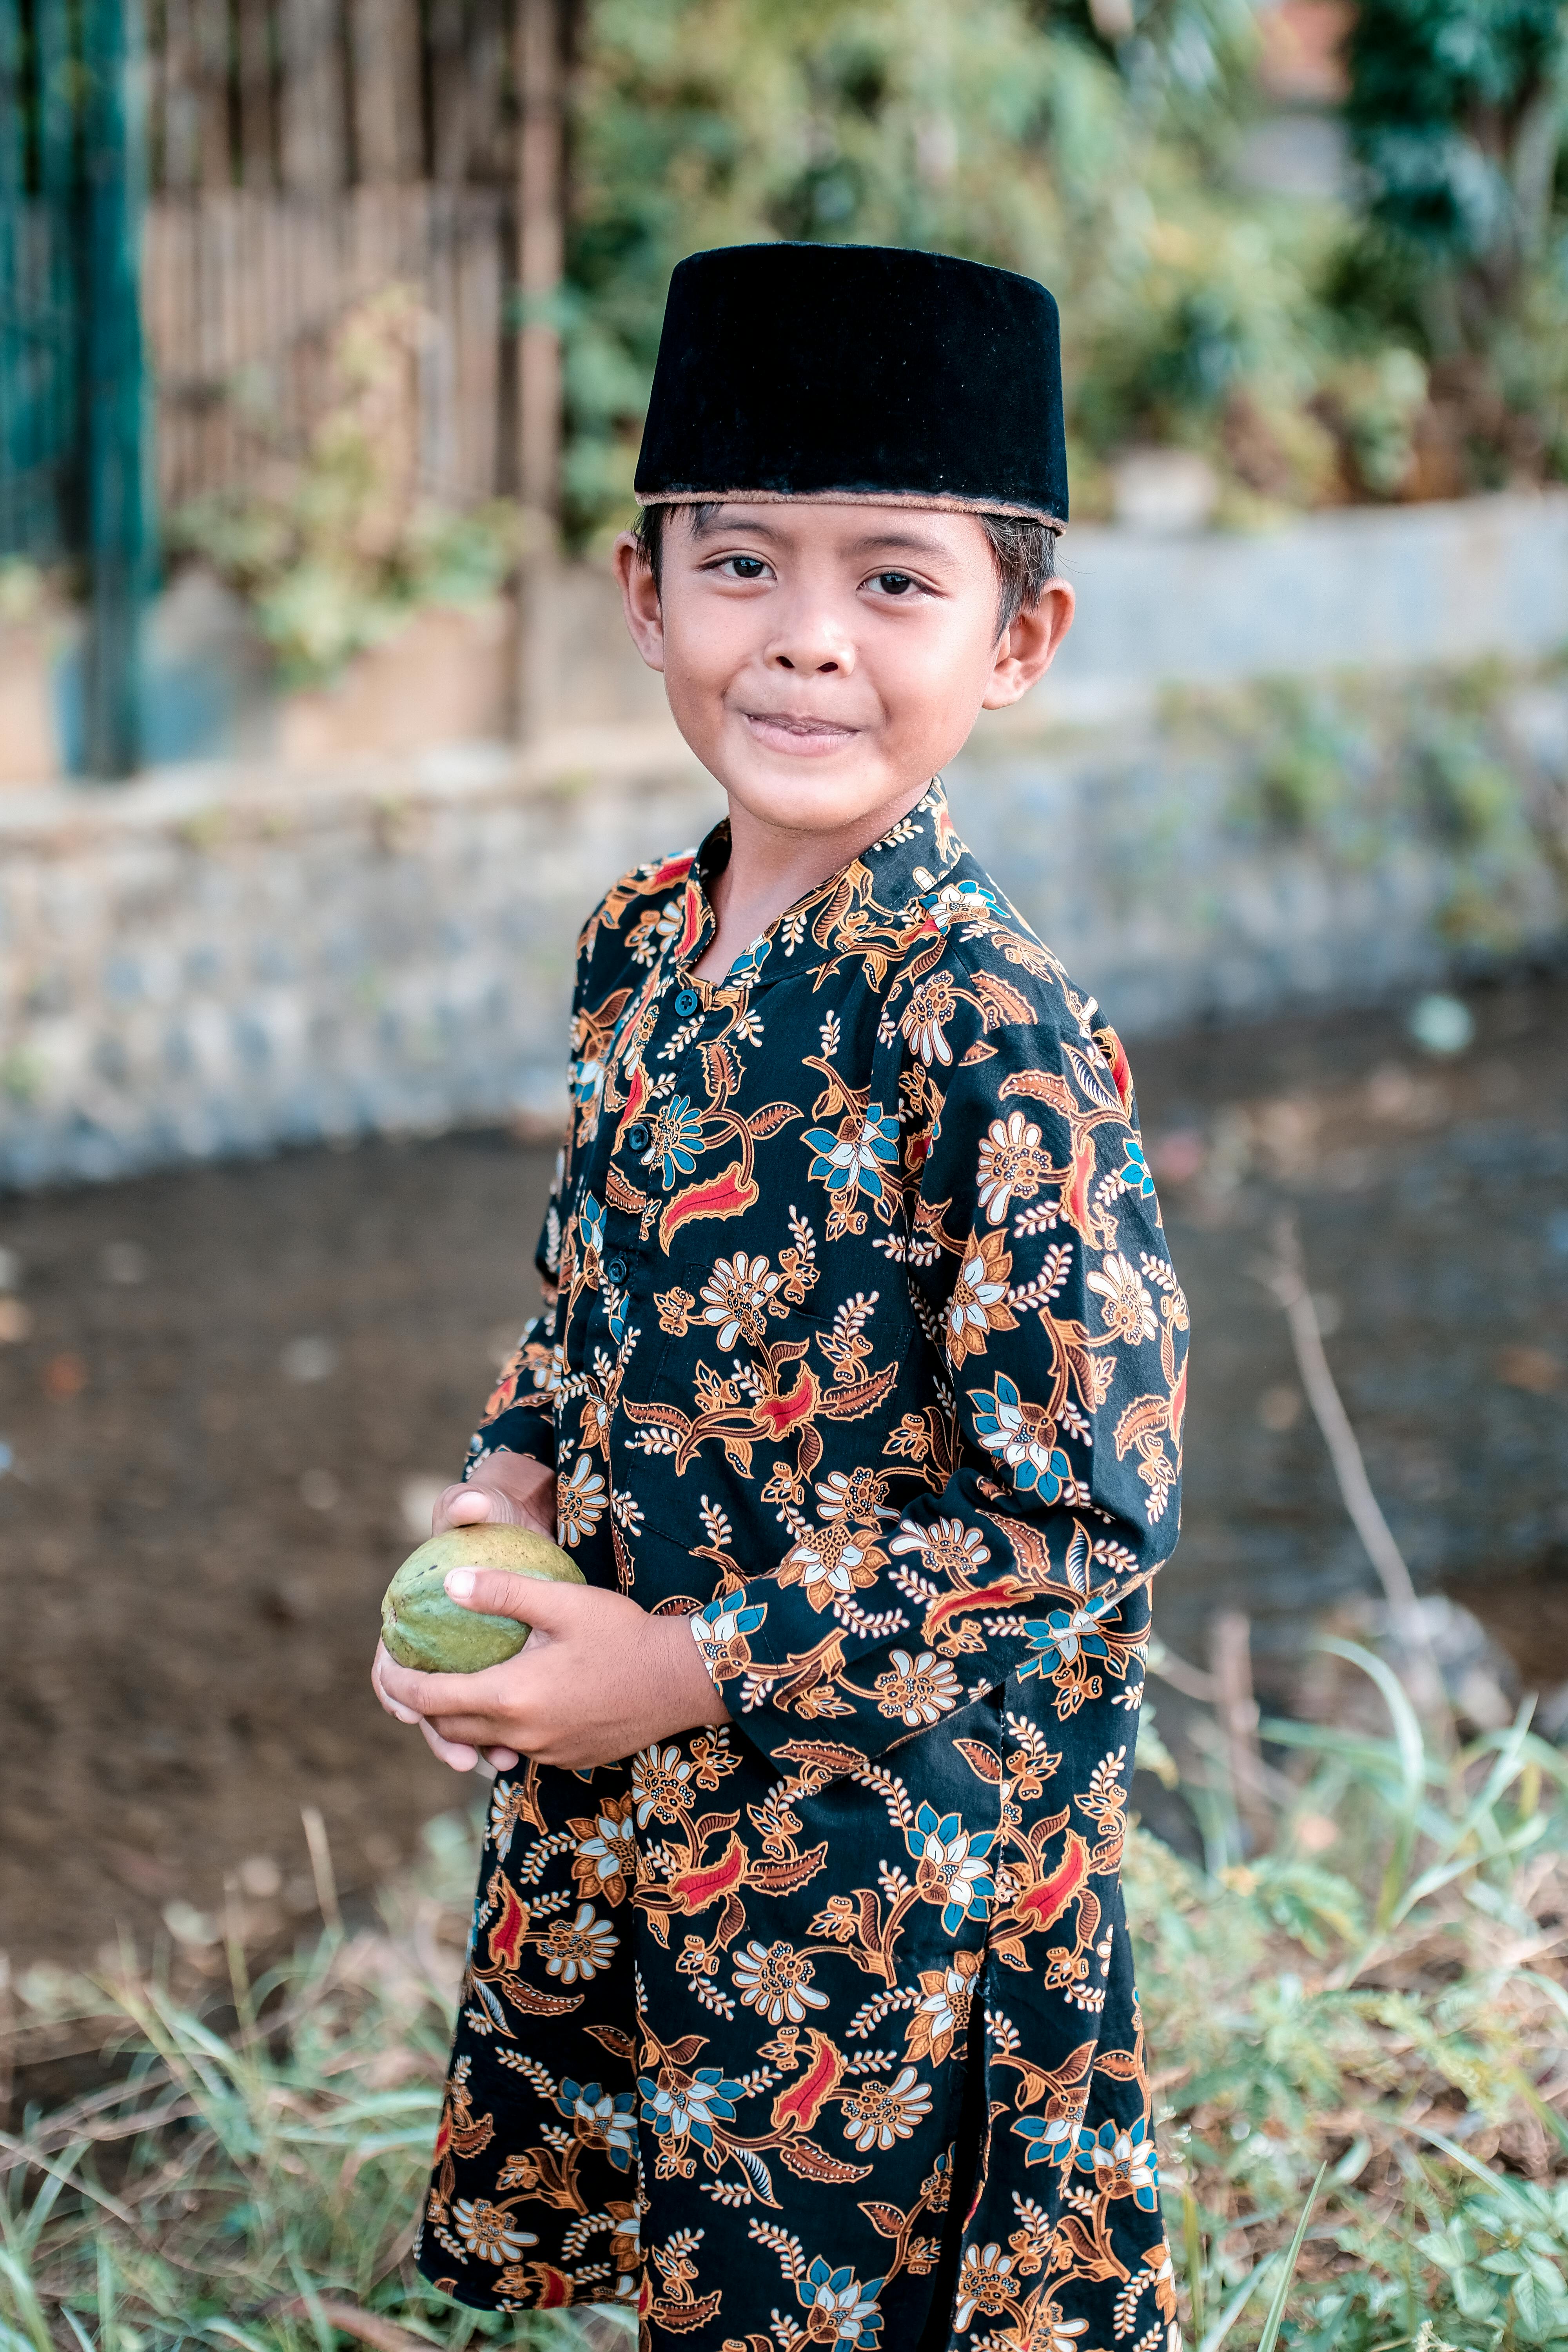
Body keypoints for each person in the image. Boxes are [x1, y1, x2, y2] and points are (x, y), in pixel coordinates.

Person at [374, 241, 1188, 2352]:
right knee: (685, 2271)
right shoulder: (640, 946)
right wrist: (507, 1481)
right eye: (741, 564)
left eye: (896, 582)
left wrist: (673, 1664)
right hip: (647, 1819)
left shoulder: (994, 1032)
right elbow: (591, 1282)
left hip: (892, 1896)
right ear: (643, 594)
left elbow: (1076, 1534)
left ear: (1023, 638)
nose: (807, 642)